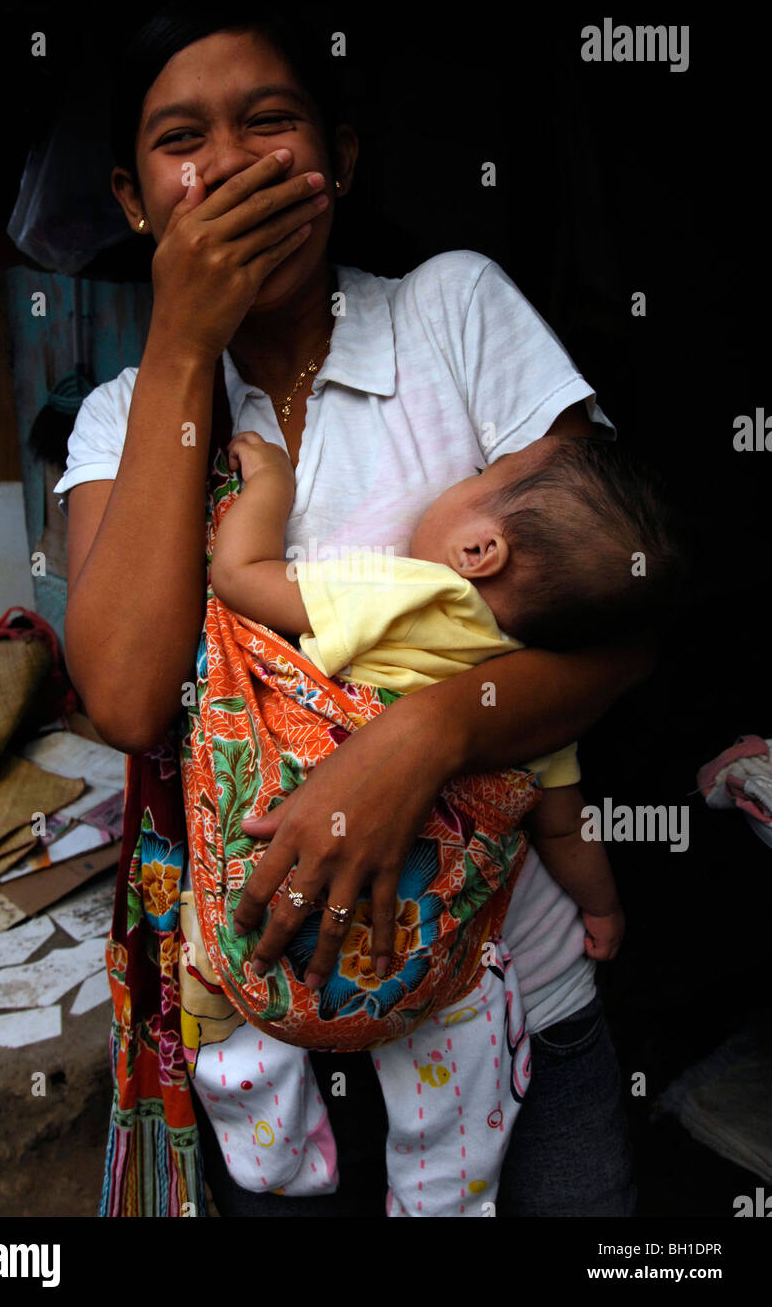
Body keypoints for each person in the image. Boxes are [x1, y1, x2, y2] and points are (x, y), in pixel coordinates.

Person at [54, 0, 652, 1217]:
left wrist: (417, 739)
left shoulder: (454, 311)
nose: (224, 163)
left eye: (267, 122)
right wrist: (180, 347)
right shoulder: (124, 418)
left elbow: (621, 620)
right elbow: (123, 696)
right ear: (132, 199)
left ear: (341, 157)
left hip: (508, 1008)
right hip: (267, 1042)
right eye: (181, 141)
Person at [182, 428, 685, 1215]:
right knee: (451, 1054)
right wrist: (602, 907)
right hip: (418, 946)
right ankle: (440, 1192)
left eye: (482, 474)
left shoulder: (417, 593)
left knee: (227, 958)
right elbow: (560, 824)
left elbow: (241, 578)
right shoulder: (528, 695)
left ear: (479, 551)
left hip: (284, 872)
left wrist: (270, 483)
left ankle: (268, 1146)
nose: (463, 475)